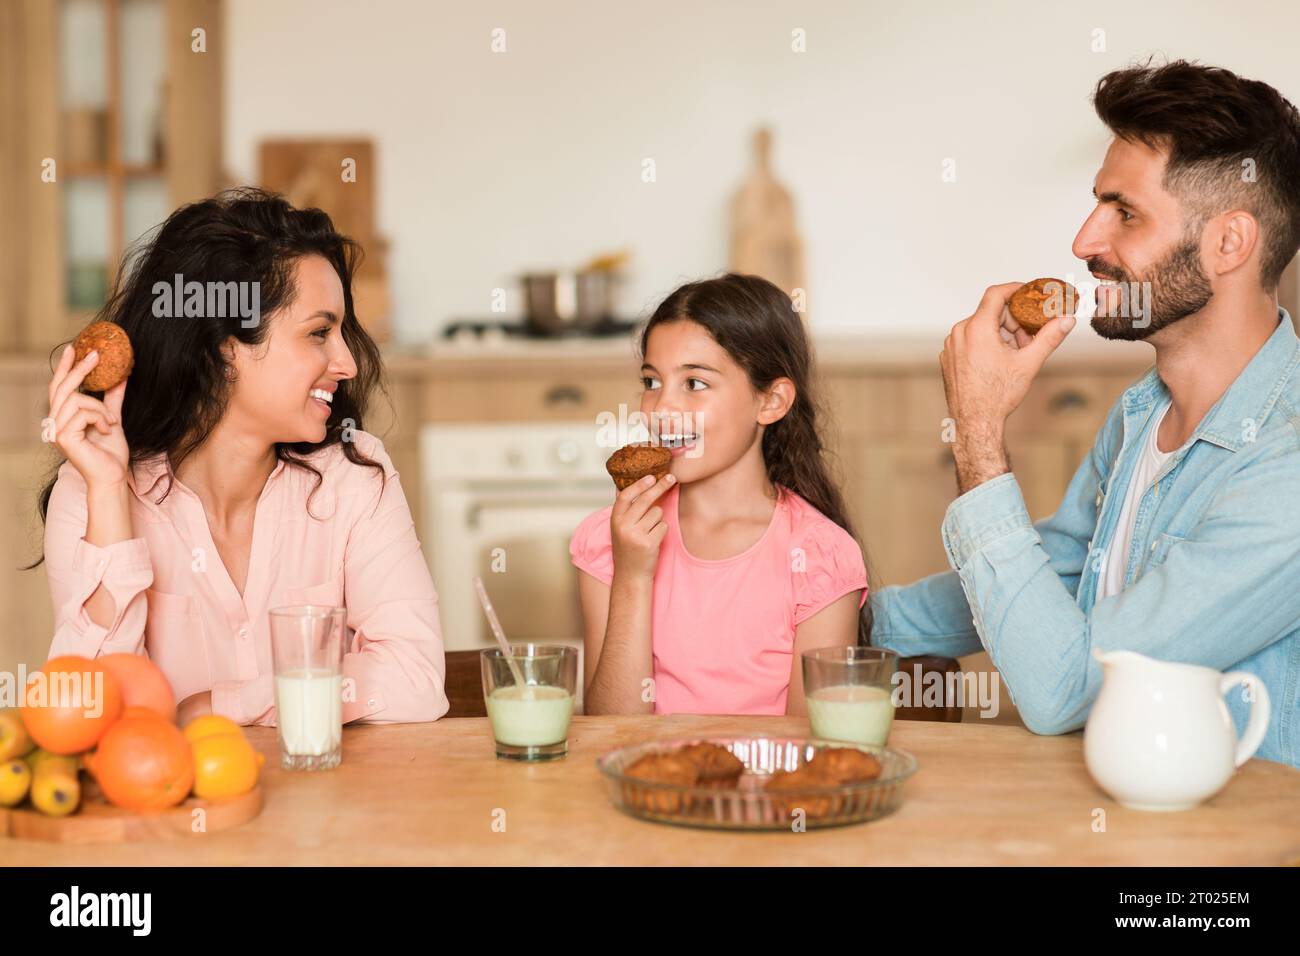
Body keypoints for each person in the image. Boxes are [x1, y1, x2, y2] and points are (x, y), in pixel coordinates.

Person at [874, 60, 1300, 767]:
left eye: (1124, 213)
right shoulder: (1142, 413)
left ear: (1229, 243)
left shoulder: (1286, 470)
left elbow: (1063, 688)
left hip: (1230, 832)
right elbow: (1056, 574)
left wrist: (977, 430)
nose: (1084, 243)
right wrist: (844, 613)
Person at [35, 188, 449, 727]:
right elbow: (91, 711)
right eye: (319, 333)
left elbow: (415, 680)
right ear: (224, 348)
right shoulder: (91, 489)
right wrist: (110, 494)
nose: (347, 362)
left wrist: (218, 706)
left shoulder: (354, 476)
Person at [571, 273, 870, 715]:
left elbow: (810, 745)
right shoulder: (608, 539)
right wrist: (632, 578)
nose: (662, 409)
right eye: (652, 382)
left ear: (771, 401)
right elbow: (612, 728)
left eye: (694, 383)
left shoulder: (820, 556)